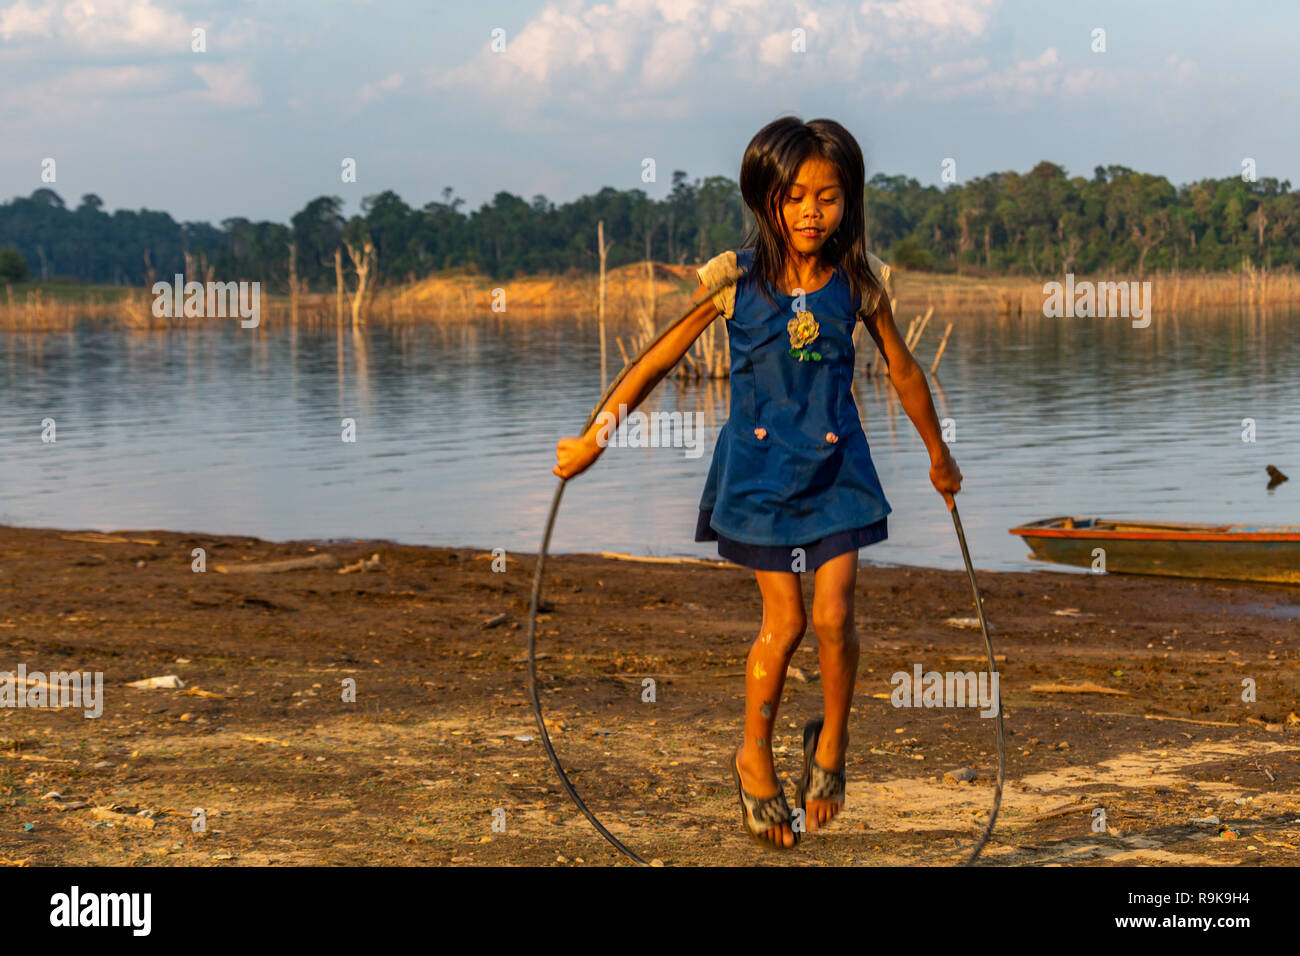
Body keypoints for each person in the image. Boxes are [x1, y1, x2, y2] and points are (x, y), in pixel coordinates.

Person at [553, 116, 962, 850]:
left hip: (839, 470)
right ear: (765, 198)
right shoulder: (733, 283)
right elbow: (653, 363)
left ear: (850, 202)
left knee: (835, 617)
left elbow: (903, 370)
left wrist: (939, 456)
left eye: (829, 197)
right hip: (763, 477)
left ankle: (832, 744)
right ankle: (753, 758)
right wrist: (594, 439)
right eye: (796, 195)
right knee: (788, 624)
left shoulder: (859, 285)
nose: (812, 212)